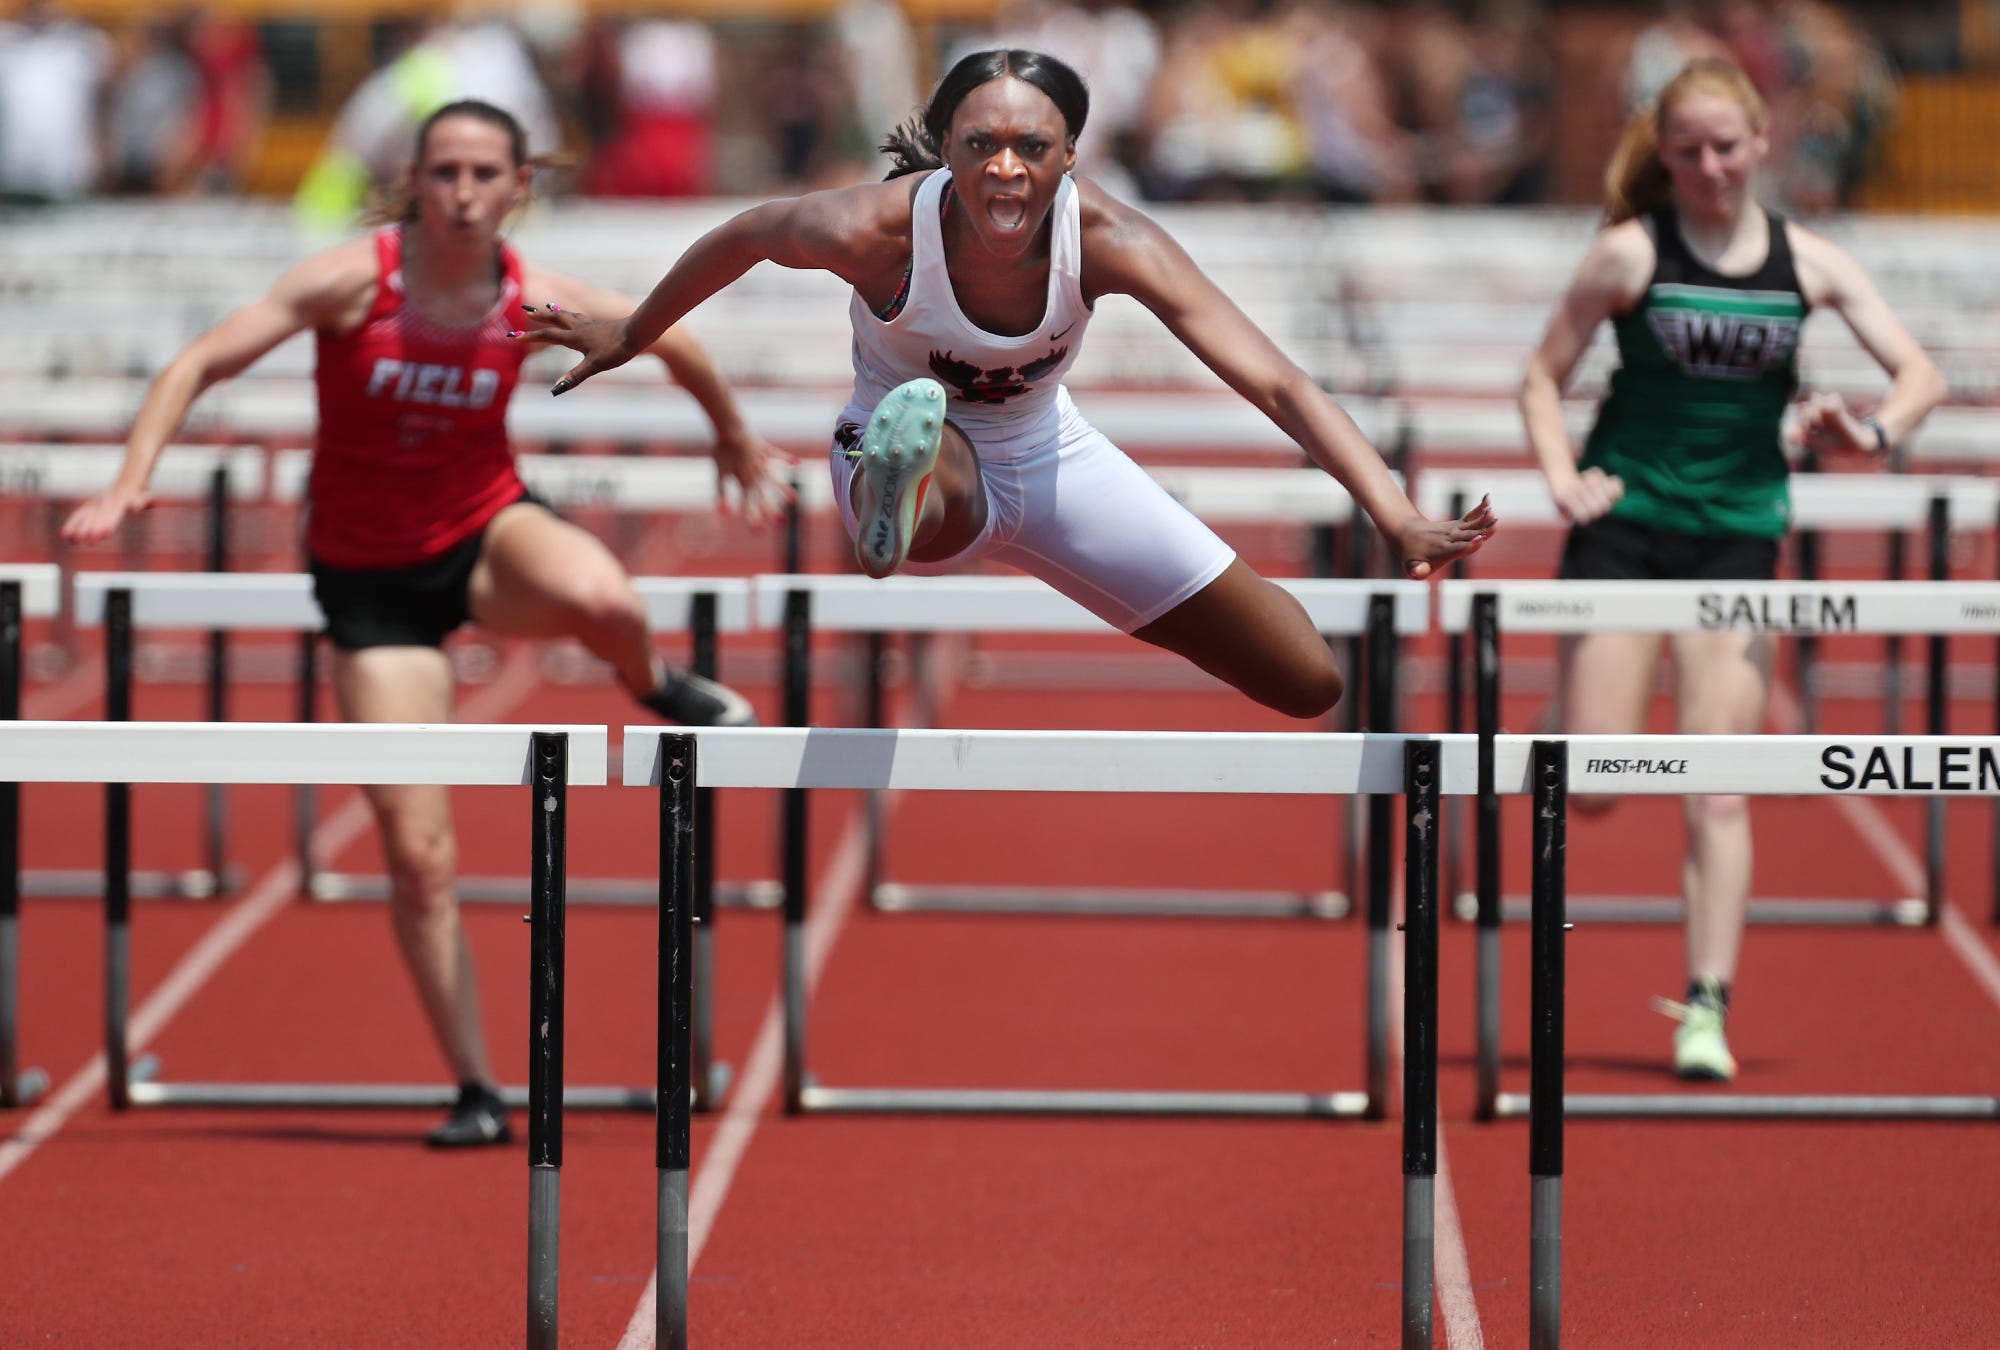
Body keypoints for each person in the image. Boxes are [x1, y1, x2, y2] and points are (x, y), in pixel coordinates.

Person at [62, 99, 789, 1146]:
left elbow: (666, 342)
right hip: (371, 585)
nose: (461, 193)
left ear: (516, 187)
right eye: (442, 171)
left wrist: (730, 438)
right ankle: (478, 1088)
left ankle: (655, 687)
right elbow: (197, 364)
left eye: (482, 173)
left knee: (604, 598)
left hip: (486, 532)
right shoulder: (355, 281)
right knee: (419, 851)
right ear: (416, 180)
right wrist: (134, 481)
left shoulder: (528, 299)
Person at [523, 48, 1494, 720]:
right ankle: (892, 506)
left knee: (1304, 677)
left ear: (1071, 155)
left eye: (1032, 148)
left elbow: (1276, 382)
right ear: (945, 148)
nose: (1004, 170)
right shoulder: (871, 228)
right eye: (980, 144)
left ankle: (920, 501)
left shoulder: (1111, 241)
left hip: (1051, 453)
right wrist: (633, 331)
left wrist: (1393, 512)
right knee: (930, 439)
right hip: (899, 439)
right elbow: (745, 235)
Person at [1518, 57, 1945, 1082]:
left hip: (1739, 538)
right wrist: (1561, 477)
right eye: (1686, 152)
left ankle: (1704, 1006)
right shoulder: (1627, 254)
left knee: (1718, 784)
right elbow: (1540, 376)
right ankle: (1570, 700)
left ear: (1761, 144)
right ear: (1661, 157)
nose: (1708, 168)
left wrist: (1870, 433)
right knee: (1593, 785)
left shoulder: (1809, 262)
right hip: (1625, 532)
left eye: (1724, 148)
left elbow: (1918, 372)